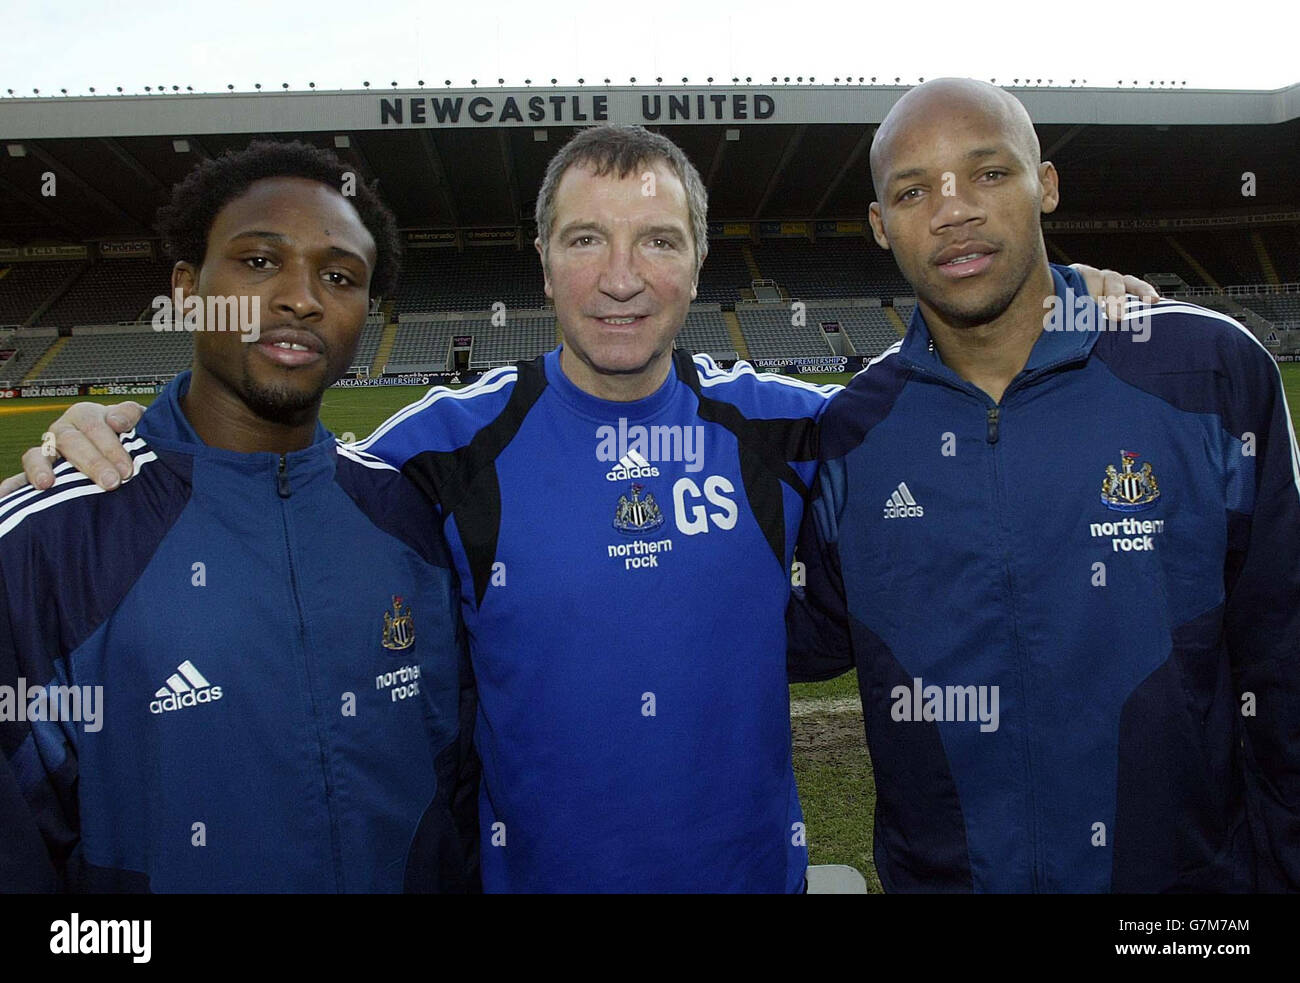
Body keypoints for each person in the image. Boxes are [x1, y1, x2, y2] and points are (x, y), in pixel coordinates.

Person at [1, 124, 1156, 892]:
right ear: (541, 262)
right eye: (585, 240)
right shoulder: (432, 453)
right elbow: (268, 480)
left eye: (657, 241)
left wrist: (1066, 299)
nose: (620, 276)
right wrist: (117, 427)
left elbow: (963, 394)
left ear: (697, 264)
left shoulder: (798, 424)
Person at [789, 78, 1300, 892]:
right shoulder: (855, 429)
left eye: (988, 174)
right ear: (882, 226)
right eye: (914, 190)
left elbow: (1284, 655)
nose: (953, 210)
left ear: (1046, 185)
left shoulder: (1205, 372)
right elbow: (798, 630)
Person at [0, 141, 477, 892]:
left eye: (340, 276)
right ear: (188, 289)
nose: (300, 297)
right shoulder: (48, 542)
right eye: (259, 262)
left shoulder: (409, 517)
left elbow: (454, 784)